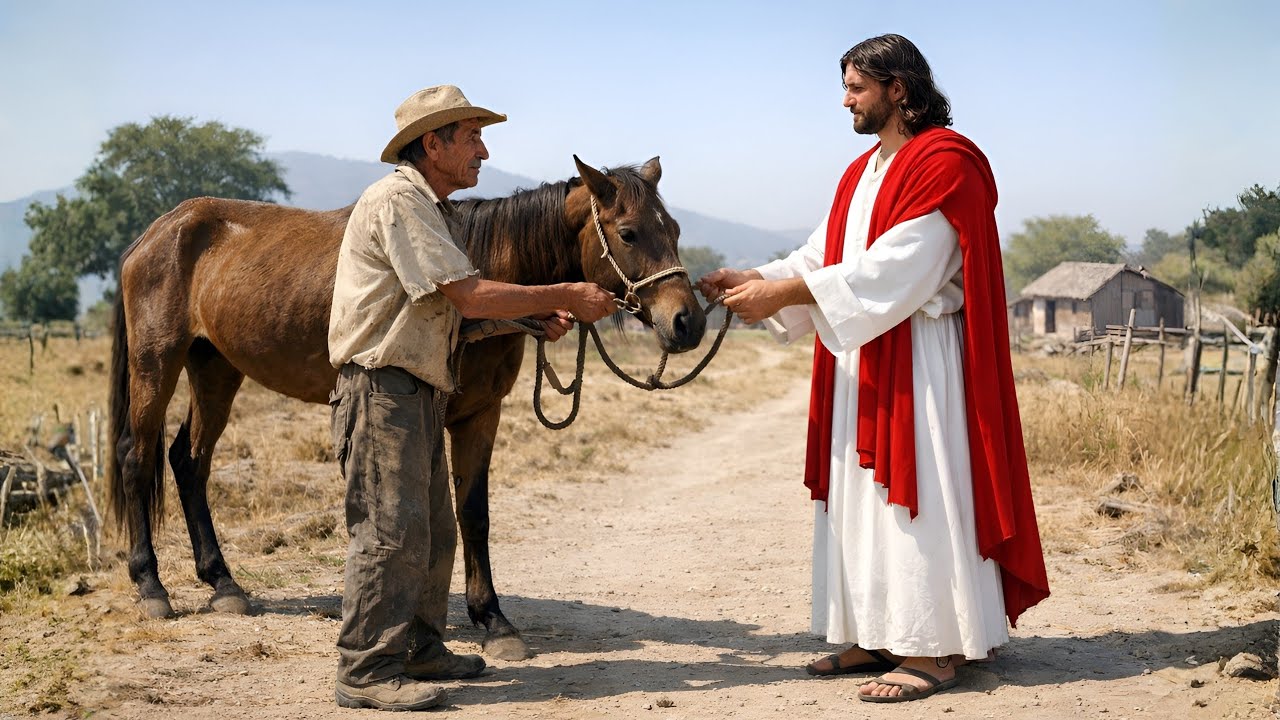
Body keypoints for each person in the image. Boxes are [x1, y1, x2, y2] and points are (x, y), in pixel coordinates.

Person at [698, 35, 1050, 704]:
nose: (845, 99)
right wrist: (759, 277)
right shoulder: (864, 170)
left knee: (913, 505)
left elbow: (897, 267)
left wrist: (785, 295)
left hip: (921, 362)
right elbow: (825, 253)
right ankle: (877, 632)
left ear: (898, 88)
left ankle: (932, 647)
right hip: (862, 353)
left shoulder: (949, 164)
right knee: (863, 504)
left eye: (857, 87)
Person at [327, 85, 617, 711]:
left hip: (416, 388)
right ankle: (366, 670)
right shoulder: (400, 201)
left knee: (429, 528)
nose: (484, 151)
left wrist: (526, 322)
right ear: (433, 143)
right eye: (472, 137)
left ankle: (424, 648)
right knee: (389, 531)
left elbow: (449, 316)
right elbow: (468, 296)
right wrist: (560, 293)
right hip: (381, 389)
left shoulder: (434, 209)